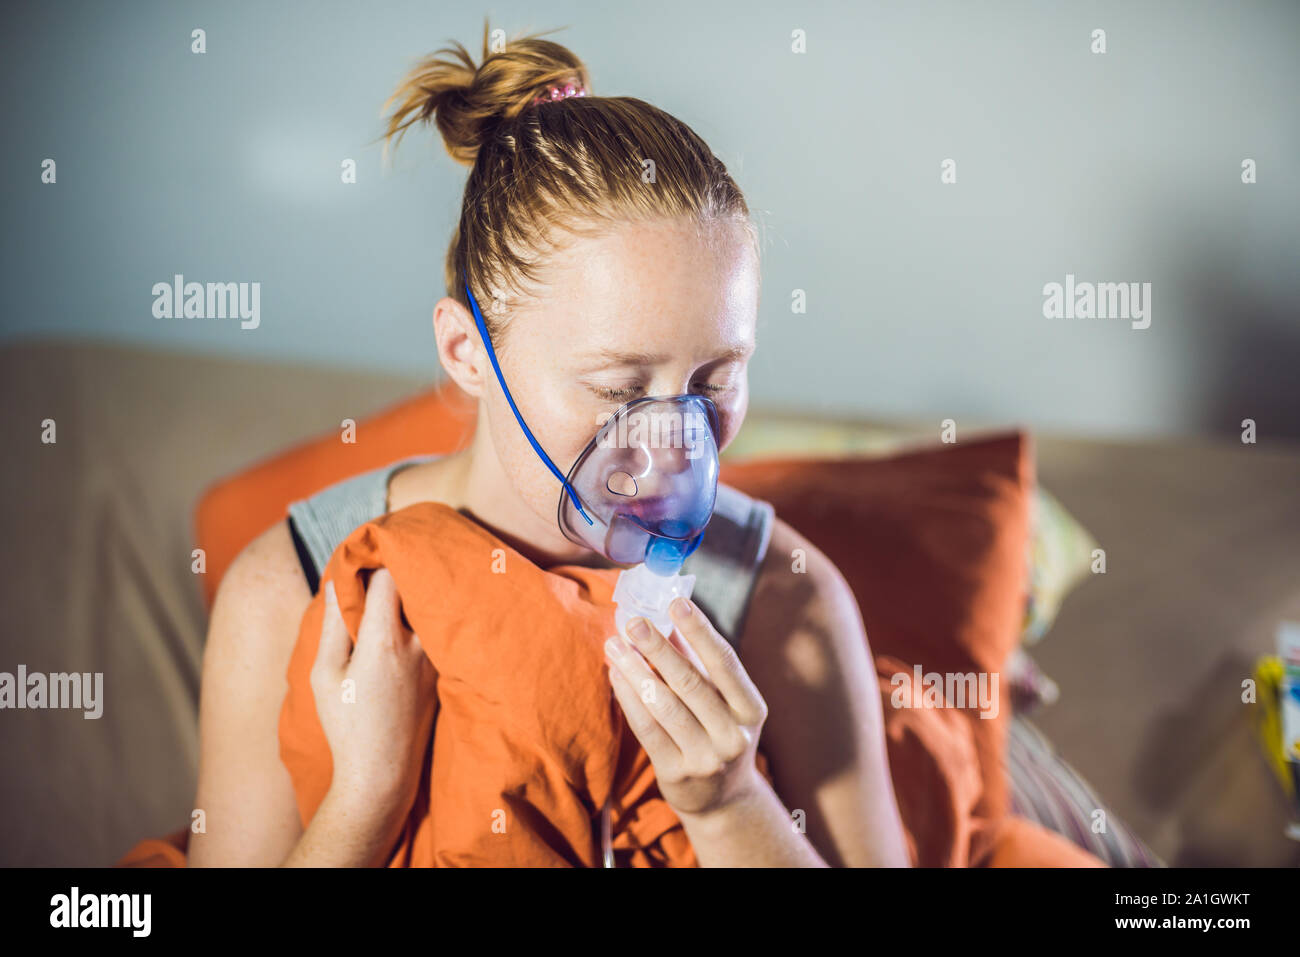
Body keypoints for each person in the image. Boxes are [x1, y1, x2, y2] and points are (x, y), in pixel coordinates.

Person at [186, 22, 911, 868]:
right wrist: (365, 798)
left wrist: (731, 805)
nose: (673, 446)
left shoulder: (788, 603)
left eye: (713, 381)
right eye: (616, 388)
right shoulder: (289, 591)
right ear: (466, 352)